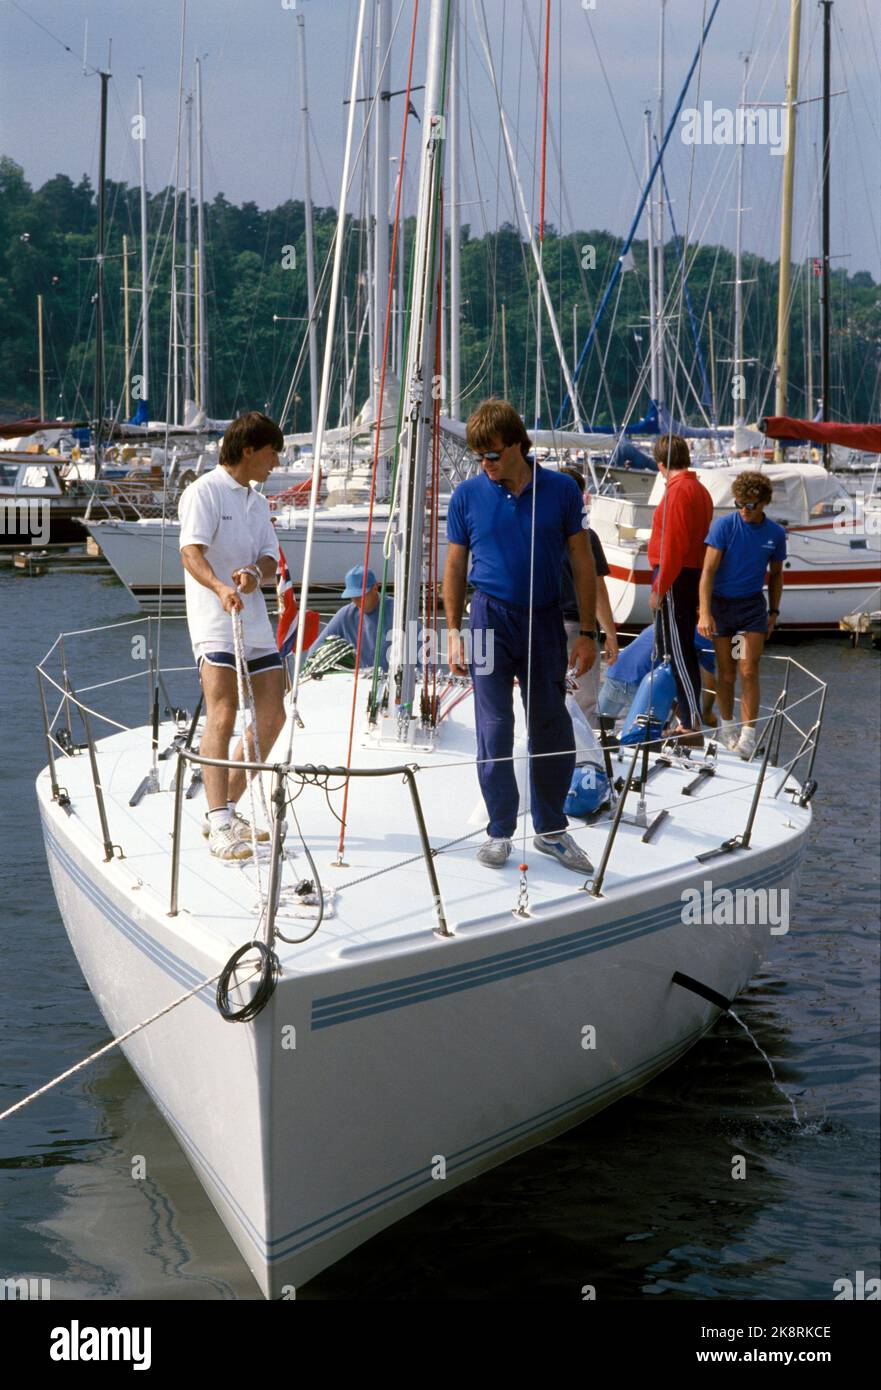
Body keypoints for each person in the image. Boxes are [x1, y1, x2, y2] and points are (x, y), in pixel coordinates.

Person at [443, 398, 598, 873]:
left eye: (492, 455)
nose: (485, 465)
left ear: (517, 445)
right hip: (488, 618)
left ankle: (551, 829)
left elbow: (582, 561)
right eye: (478, 457)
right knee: (493, 727)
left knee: (550, 725)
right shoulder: (467, 495)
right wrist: (452, 632)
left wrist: (588, 631)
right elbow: (454, 564)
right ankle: (499, 831)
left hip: (546, 619)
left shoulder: (560, 491)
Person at [179, 411, 287, 861]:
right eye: (271, 454)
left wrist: (251, 575)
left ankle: (223, 811)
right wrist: (221, 586)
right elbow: (190, 552)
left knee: (273, 715)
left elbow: (268, 558)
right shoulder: (203, 492)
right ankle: (221, 822)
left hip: (255, 622)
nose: (275, 464)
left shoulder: (257, 502)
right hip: (215, 621)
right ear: (248, 450)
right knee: (222, 714)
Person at [698, 470, 786, 758]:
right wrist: (705, 613)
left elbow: (775, 576)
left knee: (748, 670)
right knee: (726, 673)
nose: (743, 510)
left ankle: (748, 734)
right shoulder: (723, 527)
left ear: (763, 504)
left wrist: (773, 611)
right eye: (739, 504)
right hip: (721, 608)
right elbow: (707, 572)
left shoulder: (775, 534)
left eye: (750, 505)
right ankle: (727, 728)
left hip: (751, 609)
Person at [647, 433, 714, 742]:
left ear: (661, 464)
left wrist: (660, 587)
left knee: (677, 650)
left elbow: (672, 546)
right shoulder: (699, 490)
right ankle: (682, 715)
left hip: (675, 576)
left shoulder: (677, 492)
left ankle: (691, 721)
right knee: (675, 649)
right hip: (689, 573)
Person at [558, 466, 619, 725]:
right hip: (577, 629)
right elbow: (597, 591)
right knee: (582, 703)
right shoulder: (586, 537)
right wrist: (611, 634)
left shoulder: (537, 533)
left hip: (540, 626)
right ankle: (580, 758)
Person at [597, 623, 716, 723]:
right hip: (643, 683)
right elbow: (710, 683)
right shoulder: (704, 637)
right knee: (647, 737)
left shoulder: (662, 622)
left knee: (596, 728)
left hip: (616, 673)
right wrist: (707, 713)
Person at [306, 565, 394, 670]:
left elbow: (418, 651)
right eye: (352, 597)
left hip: (394, 682)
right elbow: (315, 651)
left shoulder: (399, 610)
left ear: (375, 588)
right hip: (358, 681)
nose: (356, 602)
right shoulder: (346, 615)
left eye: (360, 596)